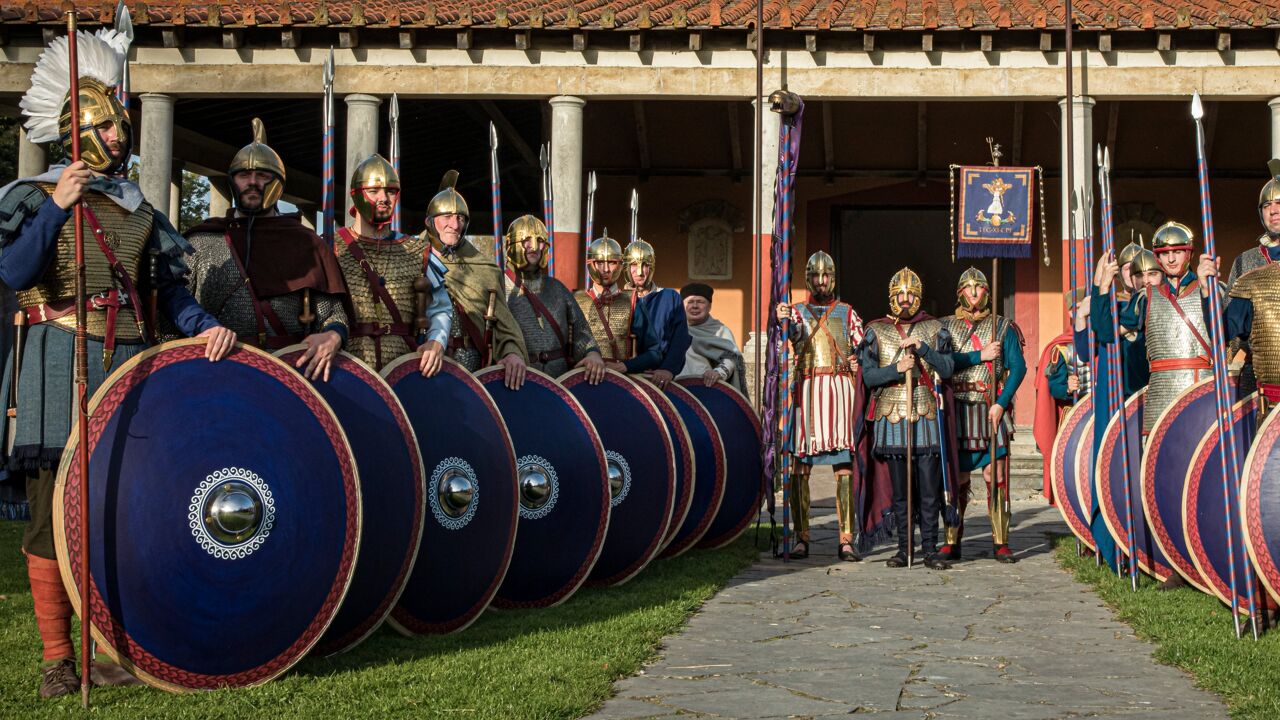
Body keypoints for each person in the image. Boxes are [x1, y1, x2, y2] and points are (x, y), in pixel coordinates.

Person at [0, 28, 234, 697]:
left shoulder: (138, 208)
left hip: (130, 362)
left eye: (122, 126)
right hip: (57, 359)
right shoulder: (30, 196)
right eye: (106, 127)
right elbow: (14, 271)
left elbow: (167, 293)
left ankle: (112, 647)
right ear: (78, 130)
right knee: (53, 514)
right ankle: (55, 659)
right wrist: (56, 207)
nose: (119, 137)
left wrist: (208, 327)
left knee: (125, 508)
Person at [184, 118, 351, 381]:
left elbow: (333, 315)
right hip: (217, 371)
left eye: (262, 175)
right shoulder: (202, 242)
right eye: (244, 175)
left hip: (289, 372)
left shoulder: (306, 243)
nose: (252, 182)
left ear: (278, 182)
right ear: (232, 181)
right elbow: (173, 321)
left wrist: (333, 336)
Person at [859, 267, 956, 570]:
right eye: (900, 294)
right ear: (892, 297)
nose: (905, 299)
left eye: (911, 294)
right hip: (892, 415)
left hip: (925, 413)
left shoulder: (935, 327)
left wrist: (923, 349)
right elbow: (869, 377)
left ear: (918, 296)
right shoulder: (876, 330)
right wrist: (896, 369)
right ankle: (904, 549)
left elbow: (949, 368)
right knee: (901, 491)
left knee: (928, 489)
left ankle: (928, 549)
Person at [773, 252, 866, 561]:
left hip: (839, 395)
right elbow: (789, 336)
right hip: (808, 394)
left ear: (833, 278)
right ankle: (801, 537)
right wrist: (780, 319)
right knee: (800, 469)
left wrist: (857, 360)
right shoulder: (796, 313)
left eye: (826, 276)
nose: (821, 281)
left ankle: (846, 538)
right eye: (816, 276)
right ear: (808, 278)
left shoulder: (848, 312)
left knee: (844, 469)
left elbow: (863, 349)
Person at [1094, 222, 1220, 435]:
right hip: (1160, 395)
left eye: (1177, 252)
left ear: (1189, 254)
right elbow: (1107, 332)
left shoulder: (1211, 290)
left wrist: (1209, 290)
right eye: (1165, 253)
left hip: (1202, 391)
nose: (1171, 259)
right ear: (1158, 257)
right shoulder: (1146, 298)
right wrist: (1103, 287)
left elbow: (1226, 333)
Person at [939, 267, 1026, 563]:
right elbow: (943, 362)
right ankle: (952, 538)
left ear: (988, 292)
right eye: (968, 288)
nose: (974, 293)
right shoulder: (945, 327)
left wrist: (1001, 402)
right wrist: (980, 356)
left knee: (996, 474)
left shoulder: (1002, 326)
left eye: (980, 288)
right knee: (957, 477)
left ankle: (1000, 540)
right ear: (959, 292)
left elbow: (1018, 367)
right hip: (959, 410)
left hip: (991, 408)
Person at [333, 154, 451, 373]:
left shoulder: (418, 251)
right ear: (357, 195)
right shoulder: (332, 247)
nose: (384, 198)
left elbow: (440, 308)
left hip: (402, 364)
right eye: (373, 191)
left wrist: (436, 341)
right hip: (347, 364)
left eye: (390, 191)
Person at [424, 173, 527, 388]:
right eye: (447, 216)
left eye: (460, 218)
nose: (454, 224)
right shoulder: (412, 260)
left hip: (471, 368)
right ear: (430, 221)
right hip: (423, 362)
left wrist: (512, 353)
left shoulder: (485, 269)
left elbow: (505, 324)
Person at [500, 214, 605, 383]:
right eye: (526, 240)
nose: (533, 247)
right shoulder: (498, 288)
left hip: (558, 380)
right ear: (511, 244)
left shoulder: (557, 288)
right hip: (515, 379)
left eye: (539, 241)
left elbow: (581, 331)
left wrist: (592, 353)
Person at [1032, 291, 1091, 503]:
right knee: (1073, 465)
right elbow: (1053, 387)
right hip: (1073, 414)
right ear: (1070, 311)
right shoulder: (1062, 348)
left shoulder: (1106, 342)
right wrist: (1066, 387)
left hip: (1101, 411)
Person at [574, 234, 662, 374]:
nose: (606, 269)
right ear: (591, 264)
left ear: (620, 265)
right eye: (600, 263)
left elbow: (654, 353)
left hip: (620, 381)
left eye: (612, 262)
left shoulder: (632, 301)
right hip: (580, 377)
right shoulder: (575, 299)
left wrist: (625, 366)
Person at [624, 239, 691, 388]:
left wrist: (668, 369)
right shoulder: (617, 300)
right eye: (634, 265)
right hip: (623, 377)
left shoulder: (670, 297)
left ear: (651, 267)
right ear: (626, 267)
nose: (639, 272)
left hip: (658, 377)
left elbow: (680, 338)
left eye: (645, 265)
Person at [677, 282, 745, 394]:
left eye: (700, 302)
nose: (694, 306)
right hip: (676, 390)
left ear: (709, 306)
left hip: (707, 390)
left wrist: (717, 372)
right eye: (690, 302)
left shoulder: (721, 330)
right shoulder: (674, 329)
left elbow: (732, 357)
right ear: (683, 306)